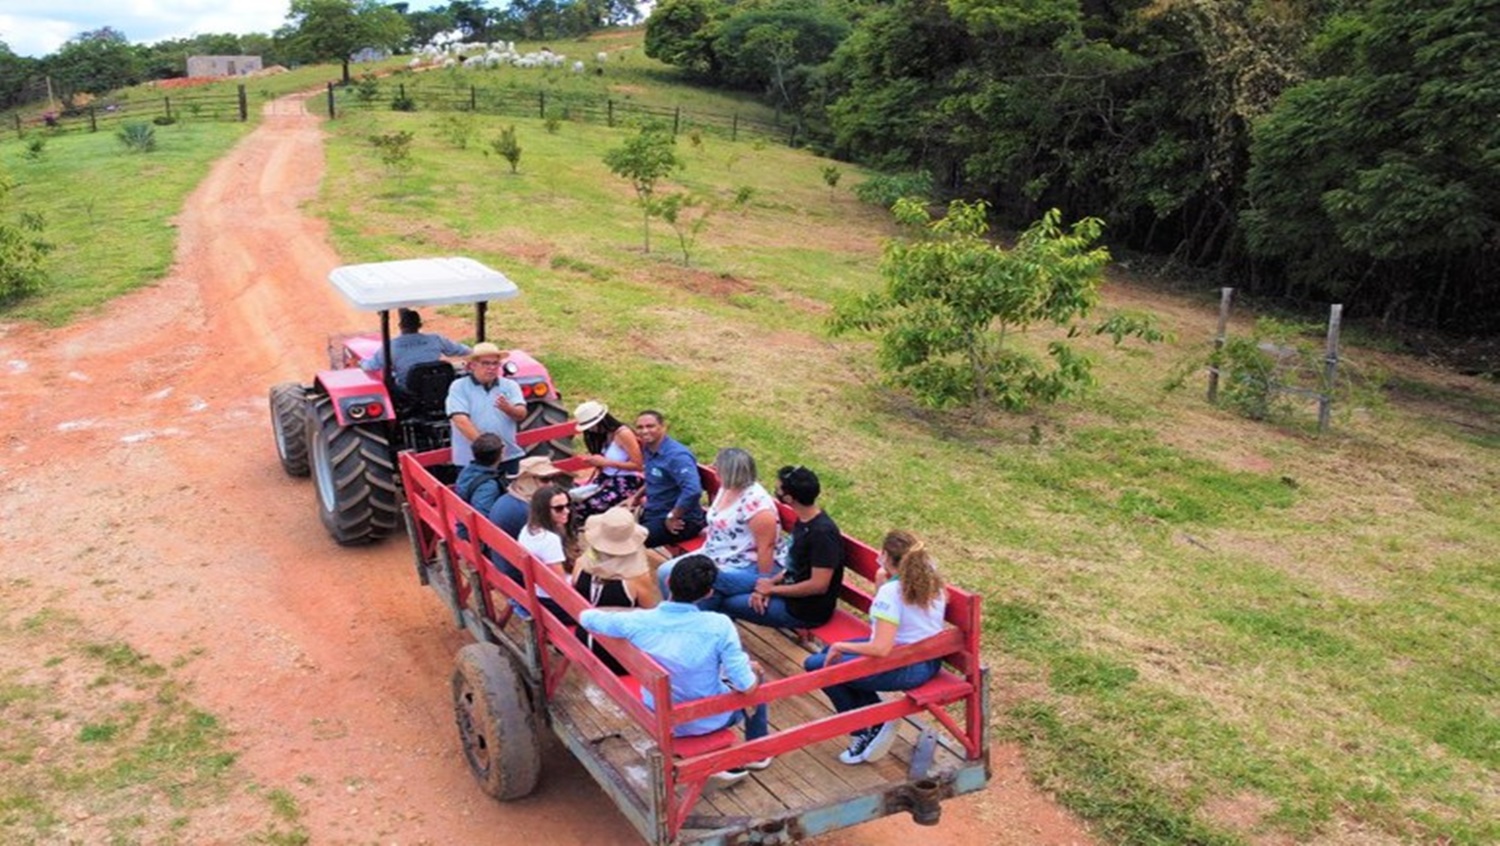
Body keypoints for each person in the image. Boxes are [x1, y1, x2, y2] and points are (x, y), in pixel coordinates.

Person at [578, 555, 771, 783]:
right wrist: (752, 670)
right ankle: (758, 753)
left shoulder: (636, 622)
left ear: (668, 582)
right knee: (755, 674)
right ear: (708, 593)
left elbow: (586, 617)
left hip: (656, 710)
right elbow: (746, 686)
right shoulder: (719, 625)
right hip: (708, 718)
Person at [803, 530, 946, 766]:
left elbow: (881, 647)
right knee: (823, 659)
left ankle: (866, 727)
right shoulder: (931, 581)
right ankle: (874, 719)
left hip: (902, 663)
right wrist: (883, 580)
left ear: (888, 557)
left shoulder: (892, 592)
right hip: (927, 659)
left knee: (820, 668)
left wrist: (839, 644)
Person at [722, 465, 844, 629]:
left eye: (778, 488)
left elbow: (818, 586)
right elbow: (795, 566)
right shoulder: (805, 520)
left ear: (788, 498)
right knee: (715, 585)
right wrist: (769, 583)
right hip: (786, 590)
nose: (775, 491)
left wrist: (771, 590)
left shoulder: (822, 534)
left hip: (803, 611)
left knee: (724, 602)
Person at [657, 448, 779, 602]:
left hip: (743, 563)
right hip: (713, 552)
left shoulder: (758, 507)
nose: (714, 468)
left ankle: (686, 617)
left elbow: (766, 547)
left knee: (692, 584)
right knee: (664, 572)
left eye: (718, 467)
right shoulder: (726, 487)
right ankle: (673, 612)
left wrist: (764, 584)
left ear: (730, 473)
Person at [574, 507, 660, 674]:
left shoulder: (581, 564)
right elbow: (650, 615)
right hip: (619, 655)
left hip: (585, 636)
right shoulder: (636, 577)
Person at [630, 410, 706, 548]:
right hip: (654, 511)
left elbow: (693, 490)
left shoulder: (677, 456)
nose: (644, 431)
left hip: (681, 521)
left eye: (650, 426)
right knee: (610, 526)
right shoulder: (649, 449)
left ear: (663, 427)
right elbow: (655, 478)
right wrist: (635, 497)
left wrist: (673, 516)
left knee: (628, 541)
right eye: (640, 427)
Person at [446, 342, 526, 472]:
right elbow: (460, 420)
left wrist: (509, 409)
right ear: (473, 365)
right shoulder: (459, 387)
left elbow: (522, 414)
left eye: (495, 363)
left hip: (508, 457)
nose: (491, 368)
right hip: (471, 460)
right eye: (486, 363)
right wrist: (489, 449)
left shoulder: (510, 385)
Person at [360, 308, 471, 389]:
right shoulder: (435, 339)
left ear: (400, 326)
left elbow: (371, 366)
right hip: (437, 385)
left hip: (409, 391)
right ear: (419, 325)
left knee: (390, 380)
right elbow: (463, 350)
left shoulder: (391, 345)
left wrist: (361, 363)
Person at [571, 401, 645, 522]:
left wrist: (606, 462)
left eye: (592, 425)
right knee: (572, 499)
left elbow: (639, 465)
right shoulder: (603, 435)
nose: (590, 429)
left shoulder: (623, 434)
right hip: (605, 479)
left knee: (588, 506)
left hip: (627, 481)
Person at [519, 484, 576, 624]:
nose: (567, 511)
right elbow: (560, 584)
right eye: (559, 508)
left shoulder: (528, 529)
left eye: (568, 505)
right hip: (555, 603)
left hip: (539, 593)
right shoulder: (550, 540)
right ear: (543, 510)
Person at [488, 456, 571, 539]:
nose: (551, 484)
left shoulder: (513, 497)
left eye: (553, 478)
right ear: (527, 480)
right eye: (545, 479)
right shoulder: (526, 511)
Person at [454, 433, 507, 517]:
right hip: (473, 526)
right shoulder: (488, 486)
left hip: (463, 518)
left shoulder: (466, 470)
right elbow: (483, 516)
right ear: (501, 453)